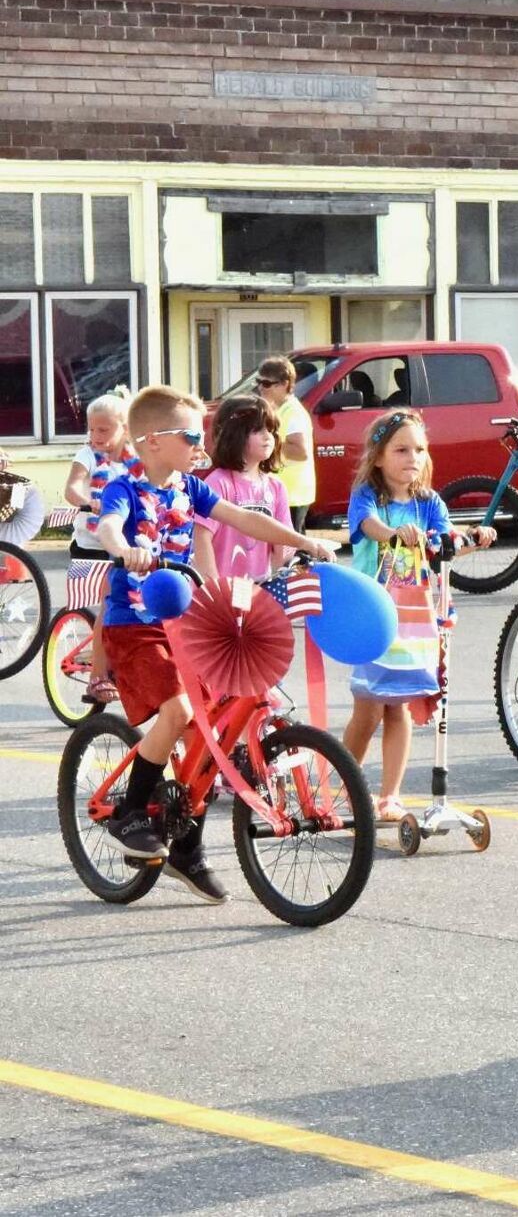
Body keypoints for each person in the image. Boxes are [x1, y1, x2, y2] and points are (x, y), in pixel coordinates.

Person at [95, 385, 335, 897]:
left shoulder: (189, 487)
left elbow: (244, 518)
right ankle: (131, 812)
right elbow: (108, 526)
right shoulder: (124, 486)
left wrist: (303, 539)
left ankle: (187, 848)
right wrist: (126, 550)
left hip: (187, 621)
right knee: (180, 711)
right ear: (152, 441)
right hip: (135, 625)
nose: (200, 443)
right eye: (189, 435)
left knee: (212, 734)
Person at [342, 409, 491, 821]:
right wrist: (393, 534)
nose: (413, 457)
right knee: (368, 708)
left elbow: (446, 540)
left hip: (416, 617)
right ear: (378, 457)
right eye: (402, 449)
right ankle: (347, 784)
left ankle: (389, 795)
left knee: (399, 705)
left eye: (420, 450)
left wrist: (472, 539)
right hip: (375, 615)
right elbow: (367, 526)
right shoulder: (370, 498)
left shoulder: (428, 502)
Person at [62, 389, 134, 705]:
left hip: (125, 543)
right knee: (111, 598)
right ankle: (97, 677)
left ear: (125, 429)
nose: (95, 436)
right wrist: (88, 501)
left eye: (103, 429)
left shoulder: (136, 462)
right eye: (91, 429)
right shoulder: (88, 456)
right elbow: (72, 487)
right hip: (92, 544)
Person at [200, 396, 291, 579]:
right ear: (234, 435)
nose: (268, 437)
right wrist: (213, 587)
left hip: (258, 589)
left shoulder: (276, 487)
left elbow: (284, 545)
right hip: (220, 592)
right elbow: (201, 538)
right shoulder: (217, 483)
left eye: (271, 430)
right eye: (257, 430)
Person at [253, 357, 315, 531]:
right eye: (258, 382)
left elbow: (301, 451)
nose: (260, 387)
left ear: (284, 384)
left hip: (293, 495)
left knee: (291, 548)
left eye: (266, 383)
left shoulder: (293, 412)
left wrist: (270, 442)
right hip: (281, 492)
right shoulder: (278, 409)